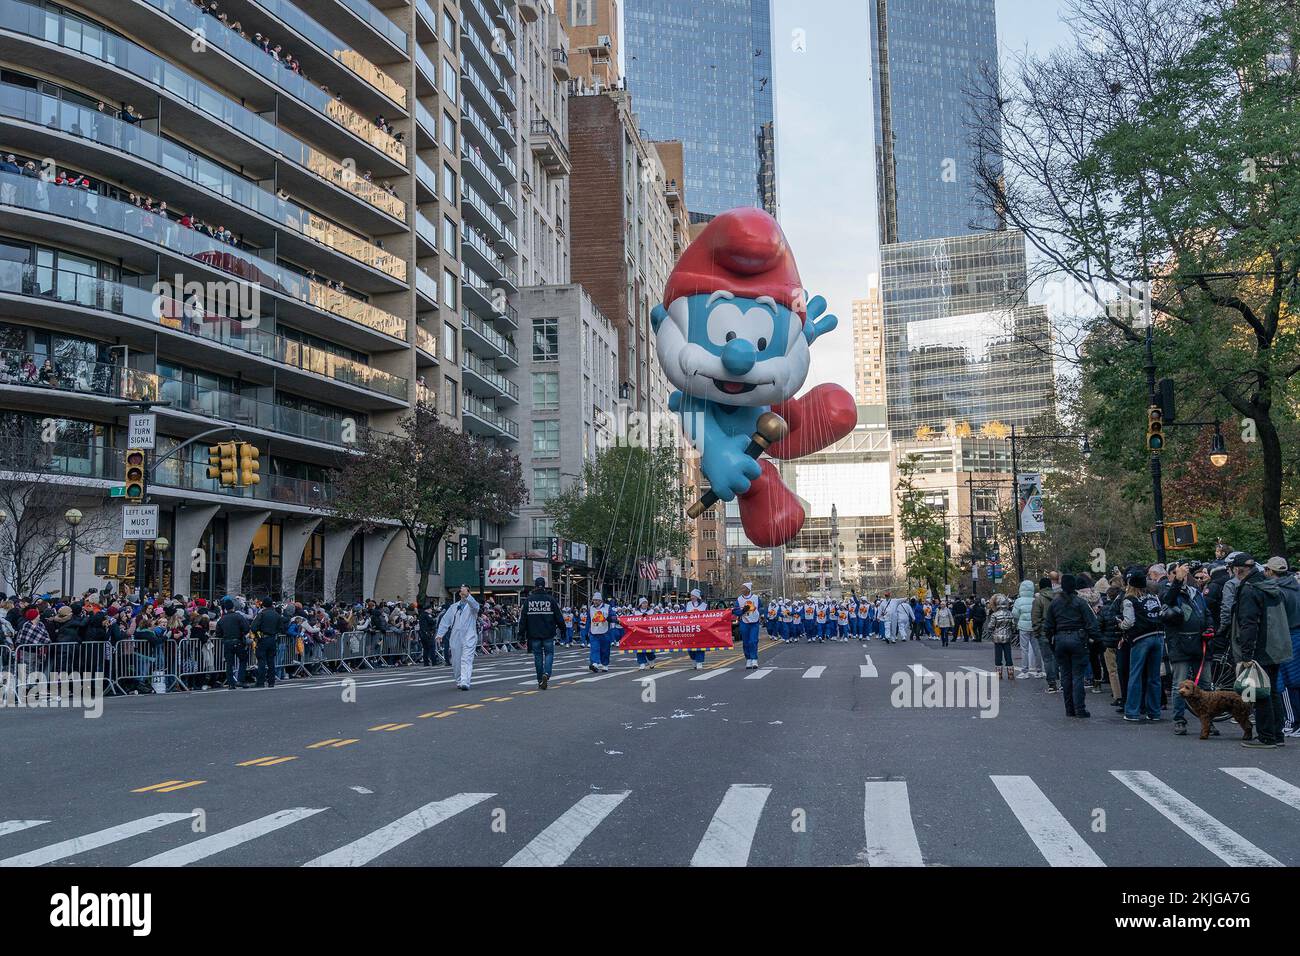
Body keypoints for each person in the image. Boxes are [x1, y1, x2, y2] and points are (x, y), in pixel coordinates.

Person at [1230, 553, 1292, 748]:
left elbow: (1248, 624)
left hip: (1259, 647)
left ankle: (1266, 737)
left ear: (1238, 569)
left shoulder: (1249, 589)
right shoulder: (1268, 585)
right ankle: (1276, 735)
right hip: (1276, 646)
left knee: (1258, 693)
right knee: (1272, 691)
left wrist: (1246, 654)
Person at [1160, 561, 1212, 736]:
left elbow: (1206, 612)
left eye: (1183, 572)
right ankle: (1179, 720)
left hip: (1200, 643)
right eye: (1177, 572)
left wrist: (1210, 627)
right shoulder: (1168, 591)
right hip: (1180, 645)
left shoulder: (1196, 592)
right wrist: (1177, 581)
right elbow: (1167, 600)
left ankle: (1208, 721)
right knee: (1179, 685)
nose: (1183, 575)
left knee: (1205, 685)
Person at [1042, 574, 1101, 718]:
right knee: (1078, 676)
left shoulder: (1055, 603)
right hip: (1078, 639)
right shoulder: (1080, 602)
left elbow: (1048, 626)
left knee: (1066, 675)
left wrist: (1052, 641)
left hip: (1060, 640)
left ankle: (1069, 709)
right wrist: (1097, 640)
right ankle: (1080, 708)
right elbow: (1091, 623)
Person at [1118, 569, 1165, 723]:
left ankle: (1132, 712)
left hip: (1140, 638)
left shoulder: (1129, 600)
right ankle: (1154, 711)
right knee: (1154, 677)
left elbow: (1129, 622)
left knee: (1135, 674)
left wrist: (1120, 624)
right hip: (1158, 636)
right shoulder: (1154, 597)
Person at [1267, 557, 1300, 737]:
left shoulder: (1277, 591)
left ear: (1271, 571)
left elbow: (1276, 619)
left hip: (1285, 637)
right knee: (1296, 681)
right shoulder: (1296, 587)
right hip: (1297, 635)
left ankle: (1291, 722)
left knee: (1284, 682)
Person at [519, 576, 564, 689]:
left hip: (534, 633)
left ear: (535, 586)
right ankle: (546, 673)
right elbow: (559, 617)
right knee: (549, 654)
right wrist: (563, 630)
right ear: (544, 586)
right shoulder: (550, 599)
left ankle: (540, 679)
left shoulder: (529, 600)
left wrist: (521, 634)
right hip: (548, 632)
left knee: (538, 656)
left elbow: (523, 619)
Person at [437, 585, 480, 691]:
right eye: (462, 591)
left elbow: (475, 605)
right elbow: (445, 621)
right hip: (456, 636)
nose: (463, 593)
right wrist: (440, 634)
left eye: (466, 591)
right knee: (456, 660)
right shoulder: (454, 607)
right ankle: (459, 680)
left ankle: (465, 681)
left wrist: (468, 596)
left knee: (466, 659)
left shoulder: (472, 607)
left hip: (469, 636)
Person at [216, 597, 251, 689]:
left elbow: (218, 633)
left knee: (229, 663)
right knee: (243, 660)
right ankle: (240, 680)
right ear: (233, 607)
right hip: (238, 641)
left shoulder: (222, 619)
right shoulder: (238, 616)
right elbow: (246, 628)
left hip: (227, 642)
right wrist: (241, 633)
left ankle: (231, 683)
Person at [250, 598, 283, 688]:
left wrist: (258, 635)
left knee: (261, 661)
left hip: (263, 638)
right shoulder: (277, 615)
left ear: (263, 605)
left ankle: (260, 682)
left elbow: (253, 627)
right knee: (271, 661)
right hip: (273, 639)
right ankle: (271, 681)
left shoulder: (262, 614)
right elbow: (281, 628)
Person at [983, 594, 1017, 678]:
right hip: (1007, 636)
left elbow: (990, 626)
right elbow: (1013, 626)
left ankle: (999, 673)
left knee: (998, 655)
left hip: (997, 637)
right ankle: (1010, 673)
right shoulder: (1010, 614)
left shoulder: (995, 615)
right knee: (1008, 655)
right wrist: (1012, 631)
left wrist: (991, 631)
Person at [584, 592, 616, 673]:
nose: (595, 602)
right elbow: (588, 621)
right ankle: (595, 663)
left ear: (601, 600)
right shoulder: (591, 608)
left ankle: (605, 664)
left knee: (605, 650)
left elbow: (613, 616)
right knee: (594, 648)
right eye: (594, 600)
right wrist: (586, 632)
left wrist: (611, 618)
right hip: (594, 632)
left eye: (597, 600)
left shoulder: (607, 607)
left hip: (605, 632)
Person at [734, 583, 762, 668]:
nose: (742, 590)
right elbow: (735, 611)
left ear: (748, 589)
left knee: (753, 641)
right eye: (741, 588)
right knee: (746, 642)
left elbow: (761, 608)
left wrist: (761, 615)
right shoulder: (739, 599)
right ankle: (748, 659)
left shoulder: (756, 598)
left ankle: (754, 659)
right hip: (744, 622)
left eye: (743, 588)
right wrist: (742, 611)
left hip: (754, 622)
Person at [685, 588, 709, 667]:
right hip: (690, 629)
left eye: (693, 596)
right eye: (691, 595)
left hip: (700, 629)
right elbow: (683, 616)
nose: (691, 597)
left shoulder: (704, 605)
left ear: (697, 596)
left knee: (700, 645)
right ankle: (693, 659)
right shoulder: (688, 605)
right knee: (690, 646)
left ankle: (699, 662)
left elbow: (708, 616)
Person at [417, 602, 440, 666]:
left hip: (422, 634)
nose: (431, 610)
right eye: (430, 609)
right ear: (427, 609)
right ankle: (434, 662)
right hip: (428, 633)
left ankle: (426, 662)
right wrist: (436, 619)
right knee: (432, 647)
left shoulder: (421, 615)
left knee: (426, 648)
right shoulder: (427, 615)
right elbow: (432, 621)